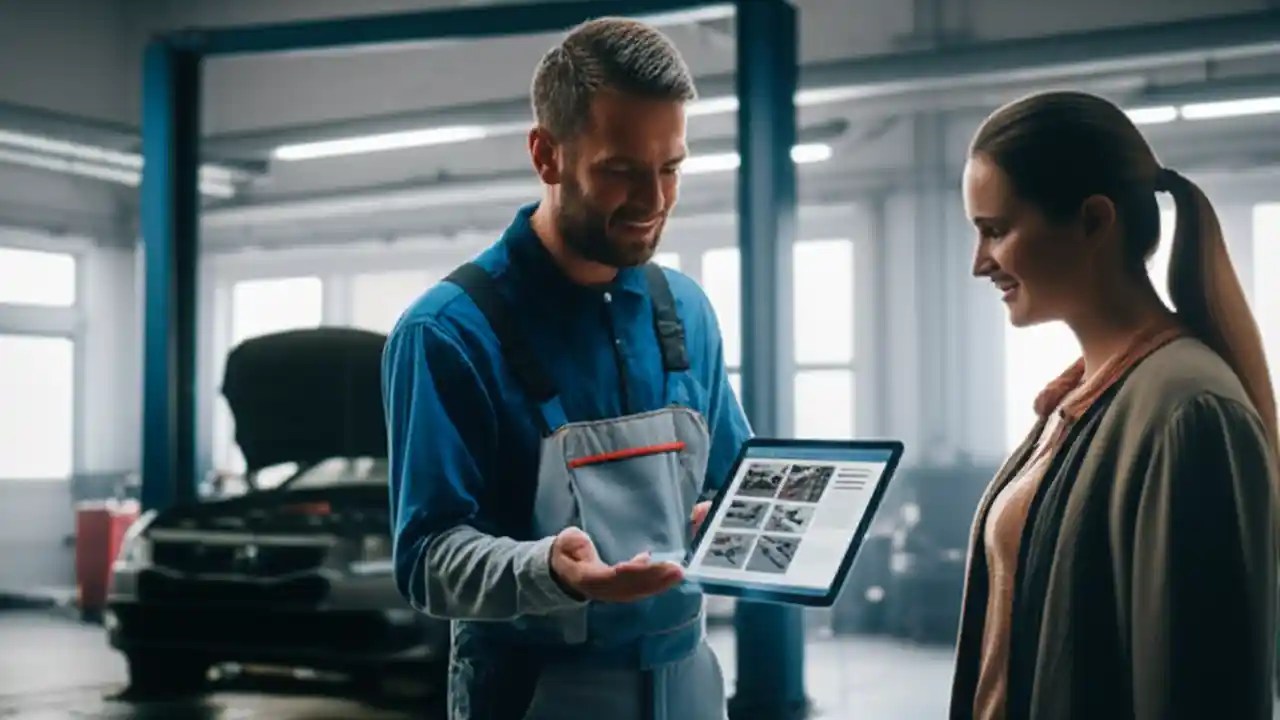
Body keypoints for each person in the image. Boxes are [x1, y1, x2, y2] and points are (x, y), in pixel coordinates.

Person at [381, 17, 751, 720]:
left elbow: (733, 483)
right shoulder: (448, 334)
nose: (653, 201)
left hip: (689, 684)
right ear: (546, 154)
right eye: (620, 170)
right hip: (534, 694)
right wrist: (547, 569)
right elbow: (425, 558)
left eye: (670, 168)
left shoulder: (687, 314)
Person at [949, 89, 1278, 720]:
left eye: (995, 231)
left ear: (1095, 221)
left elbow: (1203, 692)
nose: (979, 263)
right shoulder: (1078, 400)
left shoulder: (1188, 409)